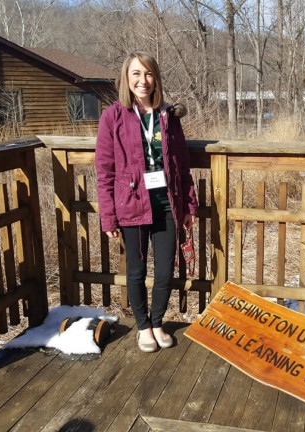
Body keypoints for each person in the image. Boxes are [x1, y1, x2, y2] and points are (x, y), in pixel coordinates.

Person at [95, 52, 198, 353]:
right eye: (137, 74)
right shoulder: (113, 116)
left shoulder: (169, 116)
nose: (143, 80)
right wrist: (108, 216)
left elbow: (182, 166)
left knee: (165, 271)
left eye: (149, 74)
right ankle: (143, 327)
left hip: (166, 204)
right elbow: (104, 171)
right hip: (131, 205)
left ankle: (157, 322)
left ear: (156, 79)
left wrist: (189, 206)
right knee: (136, 271)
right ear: (126, 78)